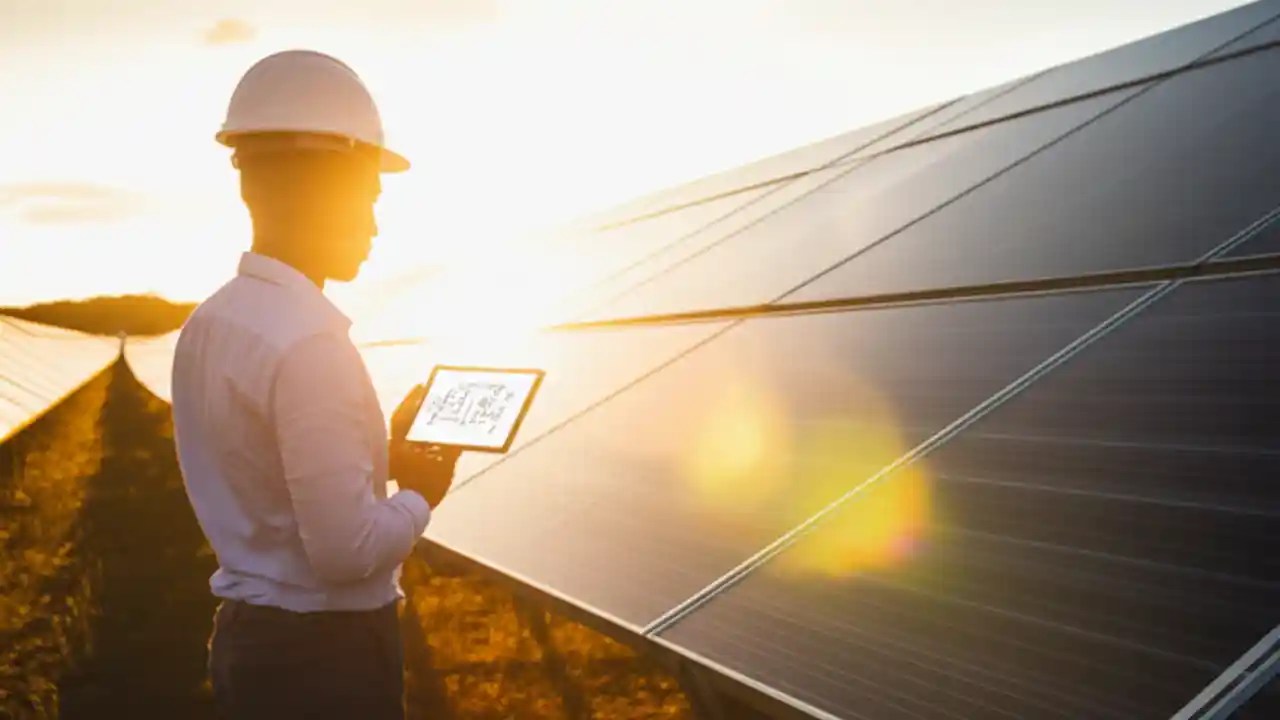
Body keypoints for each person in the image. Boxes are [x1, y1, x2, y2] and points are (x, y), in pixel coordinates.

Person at [171, 50, 455, 719]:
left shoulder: (210, 322)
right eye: (367, 197)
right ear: (319, 183)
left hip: (251, 642)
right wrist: (420, 493)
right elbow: (345, 551)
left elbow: (272, 484)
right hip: (326, 665)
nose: (375, 226)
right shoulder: (310, 344)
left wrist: (383, 456)